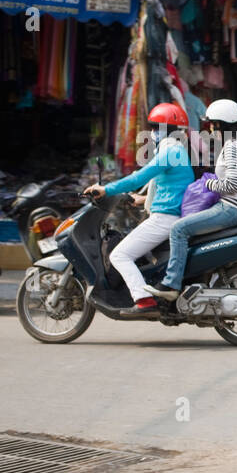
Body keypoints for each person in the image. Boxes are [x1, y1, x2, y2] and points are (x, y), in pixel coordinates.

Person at [83, 103, 193, 317]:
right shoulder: (176, 150)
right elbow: (170, 185)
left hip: (164, 219)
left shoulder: (170, 150)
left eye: (154, 127)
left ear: (165, 129)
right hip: (168, 215)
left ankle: (143, 301)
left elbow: (139, 177)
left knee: (120, 255)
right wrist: (143, 199)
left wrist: (106, 189)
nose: (151, 132)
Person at [147, 99, 237, 301]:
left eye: (213, 125)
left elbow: (232, 185)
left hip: (231, 209)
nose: (211, 129)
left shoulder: (232, 146)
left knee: (178, 229)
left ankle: (171, 284)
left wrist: (208, 184)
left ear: (223, 124)